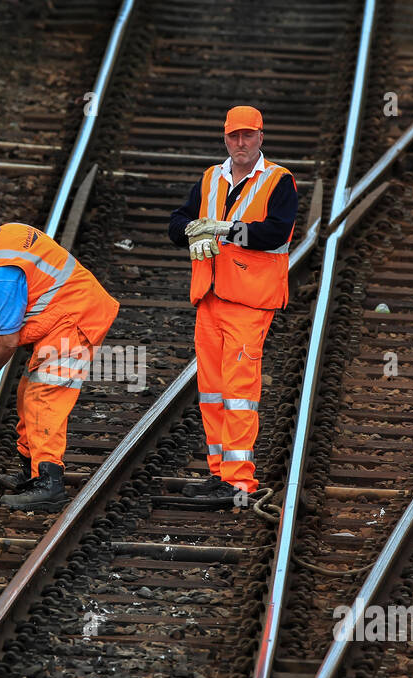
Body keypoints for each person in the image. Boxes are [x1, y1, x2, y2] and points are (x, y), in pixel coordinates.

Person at [0, 214, 119, 511]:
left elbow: (7, 340)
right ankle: (31, 474)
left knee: (44, 397)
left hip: (74, 321)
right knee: (26, 394)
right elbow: (28, 284)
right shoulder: (10, 233)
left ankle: (49, 484)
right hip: (67, 314)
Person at [168, 105, 298, 505]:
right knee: (212, 392)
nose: (240, 143)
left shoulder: (279, 181)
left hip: (249, 301)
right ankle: (219, 474)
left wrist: (224, 230)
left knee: (239, 391)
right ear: (225, 139)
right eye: (233, 136)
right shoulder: (211, 177)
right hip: (209, 298)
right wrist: (190, 232)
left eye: (248, 135)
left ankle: (239, 482)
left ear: (261, 137)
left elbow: (277, 232)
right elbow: (178, 219)